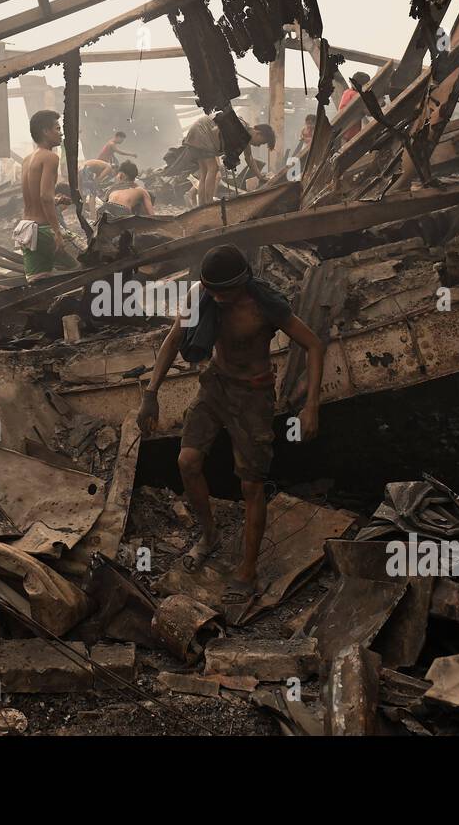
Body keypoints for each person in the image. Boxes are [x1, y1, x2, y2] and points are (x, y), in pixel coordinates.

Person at [136, 245, 324, 603]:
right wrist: (151, 393)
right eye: (213, 290)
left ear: (243, 283)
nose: (218, 298)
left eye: (225, 291)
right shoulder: (202, 296)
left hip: (253, 396)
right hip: (215, 386)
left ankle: (248, 570)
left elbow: (313, 345)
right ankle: (209, 535)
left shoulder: (265, 306)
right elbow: (175, 338)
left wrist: (311, 406)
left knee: (251, 485)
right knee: (187, 462)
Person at [16, 110, 79, 280]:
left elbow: (33, 196)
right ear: (45, 131)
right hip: (44, 230)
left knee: (38, 281)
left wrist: (56, 200)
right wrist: (57, 232)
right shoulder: (50, 157)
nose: (61, 133)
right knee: (85, 267)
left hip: (27, 229)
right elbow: (45, 197)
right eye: (57, 128)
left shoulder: (27, 159)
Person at [181, 114, 276, 208]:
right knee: (213, 168)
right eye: (262, 142)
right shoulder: (240, 128)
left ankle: (201, 205)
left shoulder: (244, 135)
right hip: (202, 132)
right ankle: (208, 203)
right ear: (258, 133)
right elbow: (217, 130)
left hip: (197, 132)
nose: (259, 145)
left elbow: (249, 157)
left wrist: (260, 176)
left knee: (204, 172)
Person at [336, 71, 369, 142]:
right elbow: (368, 111)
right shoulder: (355, 95)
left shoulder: (347, 92)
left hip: (344, 129)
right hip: (348, 130)